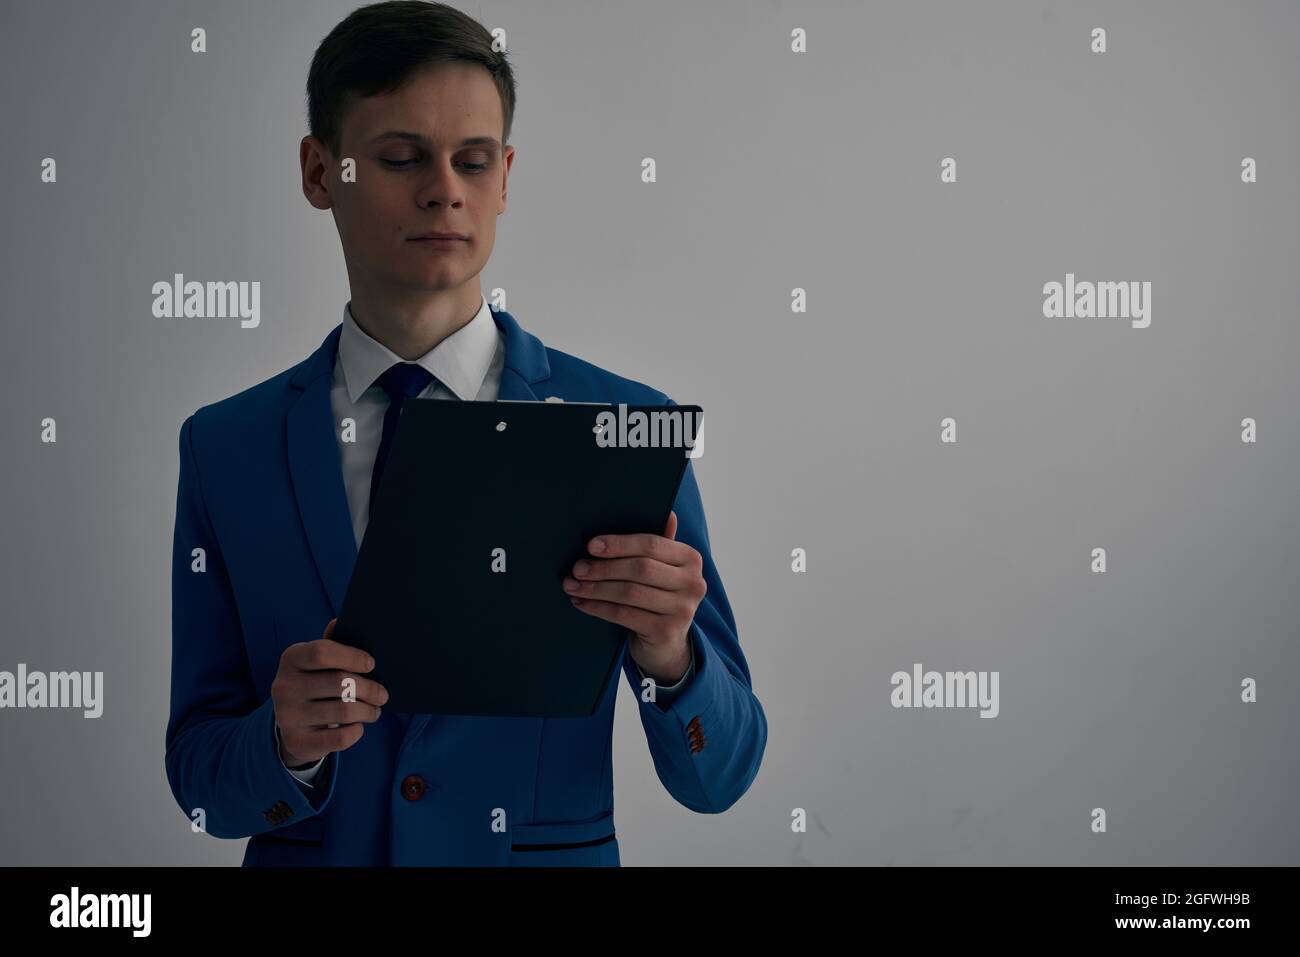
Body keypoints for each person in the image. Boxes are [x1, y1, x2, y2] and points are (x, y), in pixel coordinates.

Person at [164, 0, 766, 866]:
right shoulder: (224, 447)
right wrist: (283, 744)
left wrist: (670, 655)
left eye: (474, 161)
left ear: (506, 177)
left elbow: (724, 776)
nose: (444, 188)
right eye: (402, 156)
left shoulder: (626, 426)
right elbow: (198, 778)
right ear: (318, 170)